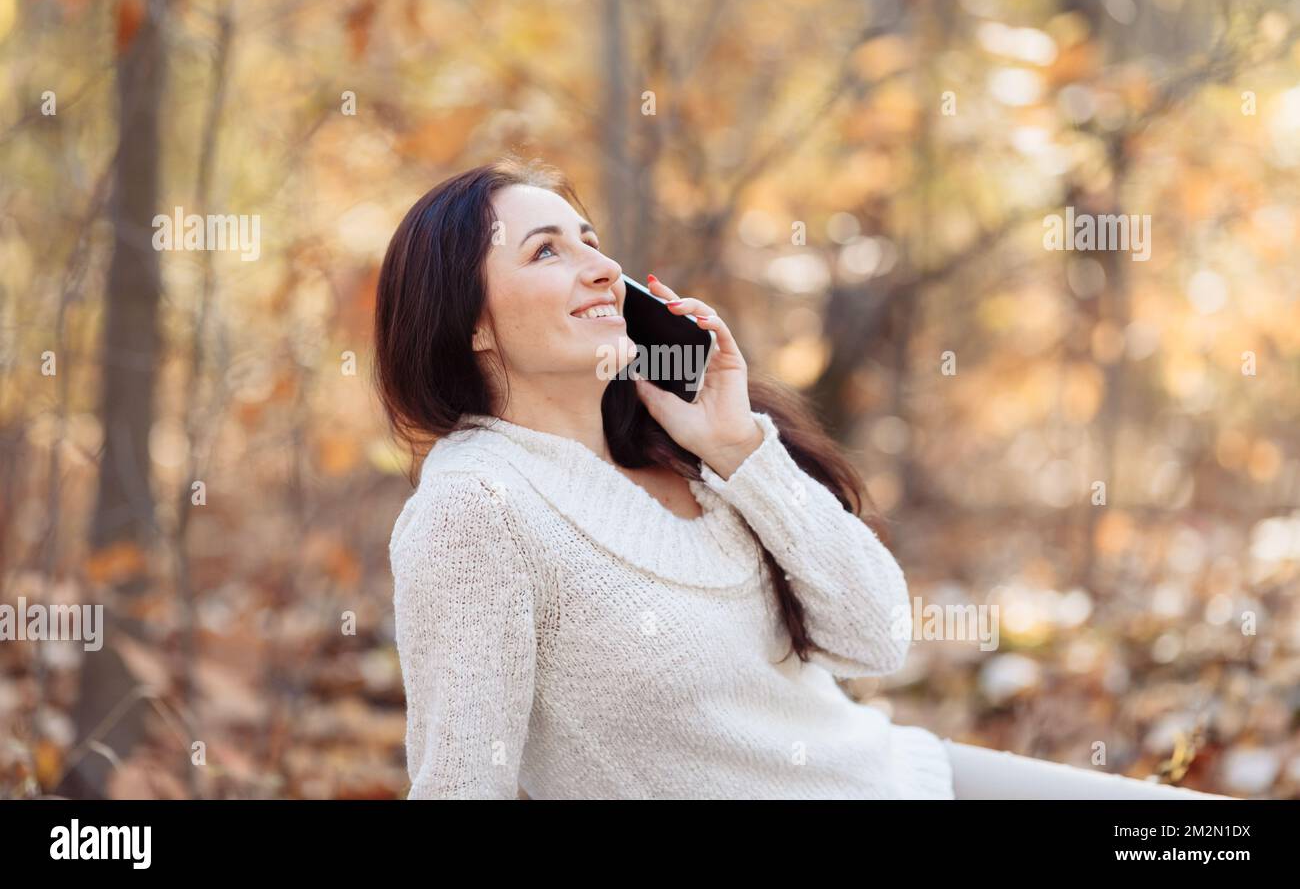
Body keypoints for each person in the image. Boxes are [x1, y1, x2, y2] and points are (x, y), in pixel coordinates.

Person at [372, 154, 1229, 800]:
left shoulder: (686, 448)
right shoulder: (476, 510)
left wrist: (741, 446)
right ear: (471, 324)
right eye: (545, 252)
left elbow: (877, 636)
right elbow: (459, 787)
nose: (601, 267)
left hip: (897, 773)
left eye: (593, 243)